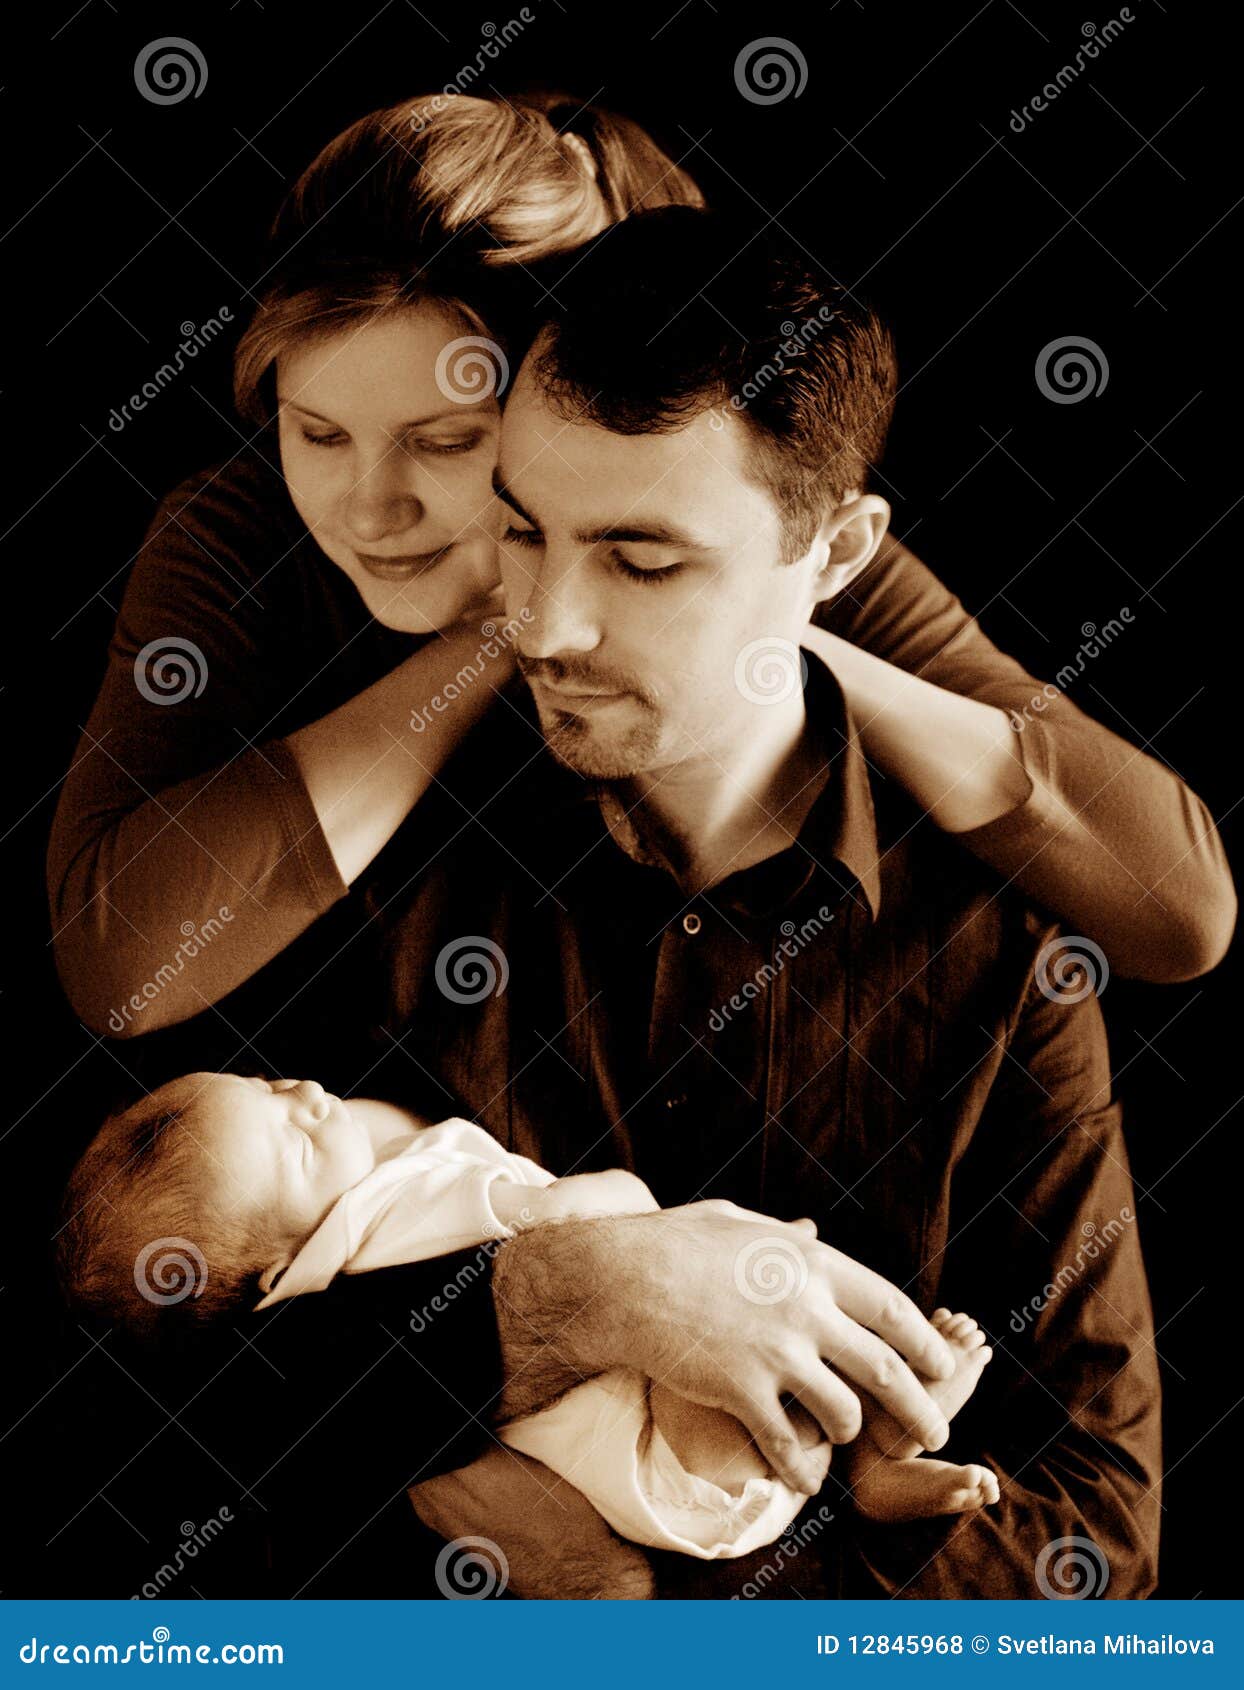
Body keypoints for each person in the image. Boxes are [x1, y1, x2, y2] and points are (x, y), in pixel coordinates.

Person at [46, 93, 1233, 1086]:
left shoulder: (725, 525)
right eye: (317, 432)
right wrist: (501, 640)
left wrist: (761, 633)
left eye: (449, 443)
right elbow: (121, 965)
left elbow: (1173, 910)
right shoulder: (238, 531)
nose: (369, 507)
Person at [334, 206, 1161, 1598]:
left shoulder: (998, 949)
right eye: (527, 532)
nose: (542, 623)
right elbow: (189, 1378)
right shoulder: (401, 865)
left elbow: (1099, 1532)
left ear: (836, 555)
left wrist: (648, 1608)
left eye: (642, 562)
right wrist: (566, 1301)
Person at [55, 1072, 998, 1599]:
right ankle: (868, 1454)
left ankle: (871, 1457)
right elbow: (567, 1220)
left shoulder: (325, 1239)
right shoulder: (374, 1227)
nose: (306, 1094)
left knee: (778, 1300)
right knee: (754, 1323)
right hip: (648, 1447)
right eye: (294, 1139)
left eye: (268, 1083)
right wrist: (623, 1227)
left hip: (639, 1438)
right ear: (275, 1275)